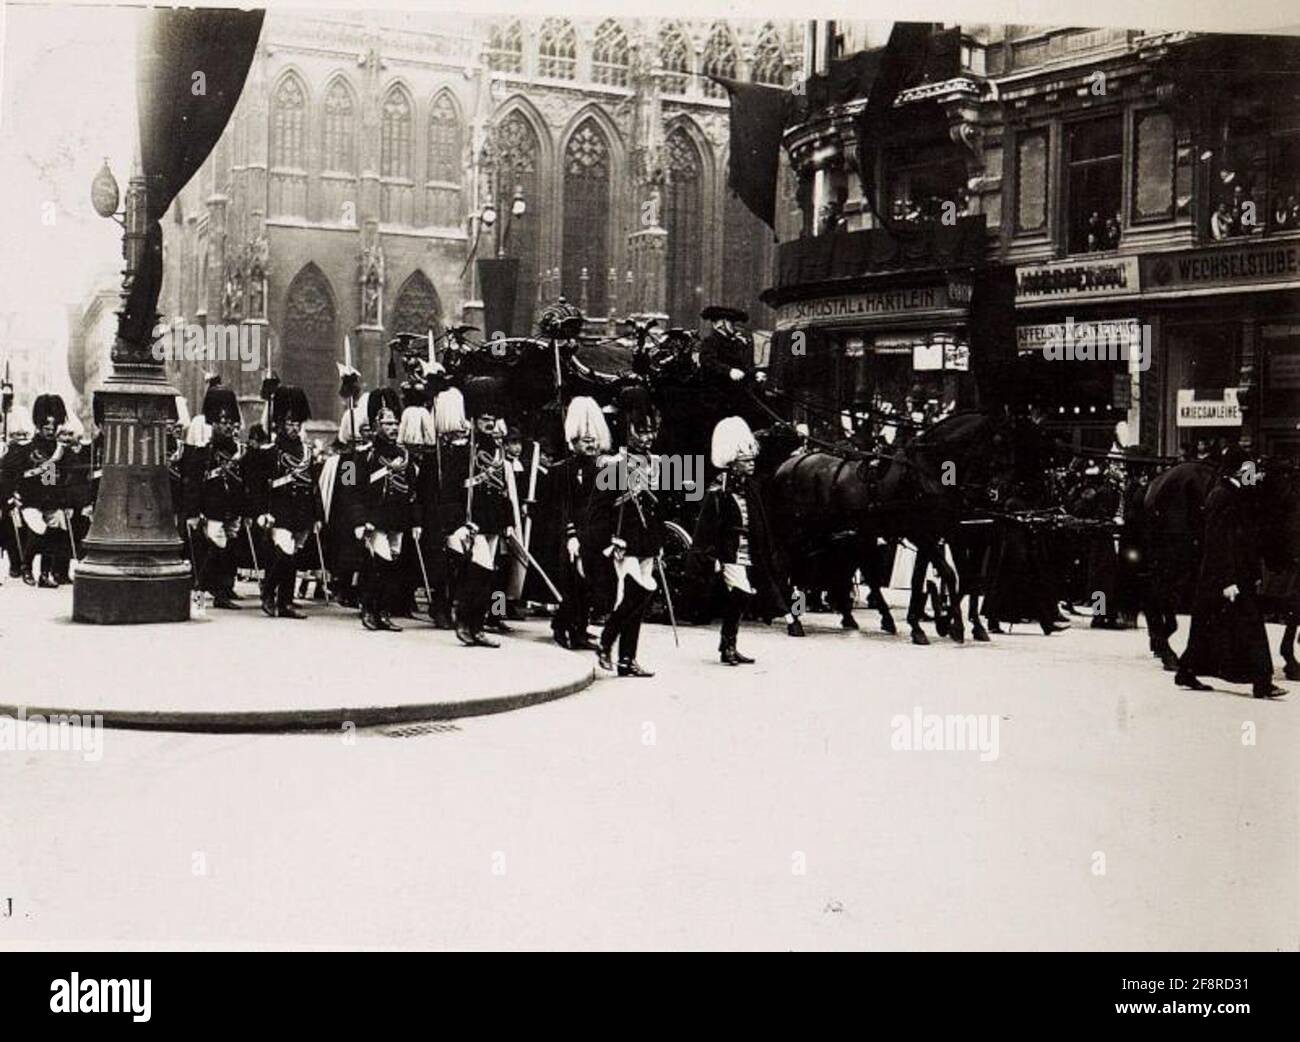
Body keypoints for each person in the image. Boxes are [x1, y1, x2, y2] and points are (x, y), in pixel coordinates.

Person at [1176, 444, 1286, 698]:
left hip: (1235, 575)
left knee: (1207, 626)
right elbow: (1216, 541)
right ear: (1237, 471)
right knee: (1249, 626)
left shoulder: (1238, 495)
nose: (1254, 473)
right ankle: (1262, 681)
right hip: (1224, 576)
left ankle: (1186, 670)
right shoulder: (1221, 496)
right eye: (1249, 468)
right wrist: (1227, 580)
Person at [583, 385, 664, 677]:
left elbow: (656, 508)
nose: (648, 437)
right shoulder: (612, 466)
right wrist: (608, 540)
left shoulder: (655, 464)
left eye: (650, 431)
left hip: (646, 541)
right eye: (641, 431)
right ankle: (607, 642)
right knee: (631, 596)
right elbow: (597, 512)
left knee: (639, 601)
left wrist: (659, 542)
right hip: (623, 540)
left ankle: (627, 659)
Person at [440, 376, 514, 648]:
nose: (490, 423)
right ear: (474, 418)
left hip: (492, 518)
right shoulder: (461, 451)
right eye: (485, 418)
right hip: (472, 521)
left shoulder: (496, 449)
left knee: (487, 573)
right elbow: (449, 492)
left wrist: (508, 521)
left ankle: (477, 626)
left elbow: (502, 489)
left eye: (493, 418)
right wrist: (458, 523)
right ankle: (465, 621)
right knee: (480, 570)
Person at [247, 385, 320, 619]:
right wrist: (260, 512)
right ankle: (269, 593)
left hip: (301, 512)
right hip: (280, 510)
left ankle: (285, 600)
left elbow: (313, 486)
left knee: (292, 557)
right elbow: (258, 486)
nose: (295, 426)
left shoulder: (307, 452)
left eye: (298, 422)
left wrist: (317, 516)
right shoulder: (270, 452)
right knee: (284, 554)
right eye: (290, 422)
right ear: (279, 423)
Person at [349, 388, 417, 632]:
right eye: (388, 423)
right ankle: (370, 609)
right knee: (379, 564)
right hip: (374, 518)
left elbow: (411, 490)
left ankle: (384, 612)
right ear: (376, 424)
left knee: (391, 567)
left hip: (397, 519)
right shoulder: (363, 455)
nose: (394, 427)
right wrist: (359, 520)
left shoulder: (403, 455)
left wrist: (414, 521)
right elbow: (352, 490)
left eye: (395, 422)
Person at [546, 396, 607, 650]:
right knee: (572, 582)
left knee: (590, 582)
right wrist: (570, 534)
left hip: (594, 532)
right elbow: (560, 507)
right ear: (574, 441)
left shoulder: (604, 469)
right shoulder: (563, 470)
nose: (591, 445)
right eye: (585, 440)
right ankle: (565, 626)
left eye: (593, 440)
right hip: (571, 532)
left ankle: (579, 626)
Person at [180, 384, 245, 609]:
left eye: (231, 423)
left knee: (230, 546)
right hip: (212, 506)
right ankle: (205, 587)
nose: (228, 427)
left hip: (232, 506)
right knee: (217, 545)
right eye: (223, 423)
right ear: (213, 424)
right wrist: (192, 511)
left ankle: (224, 588)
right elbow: (192, 484)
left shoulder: (238, 450)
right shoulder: (203, 451)